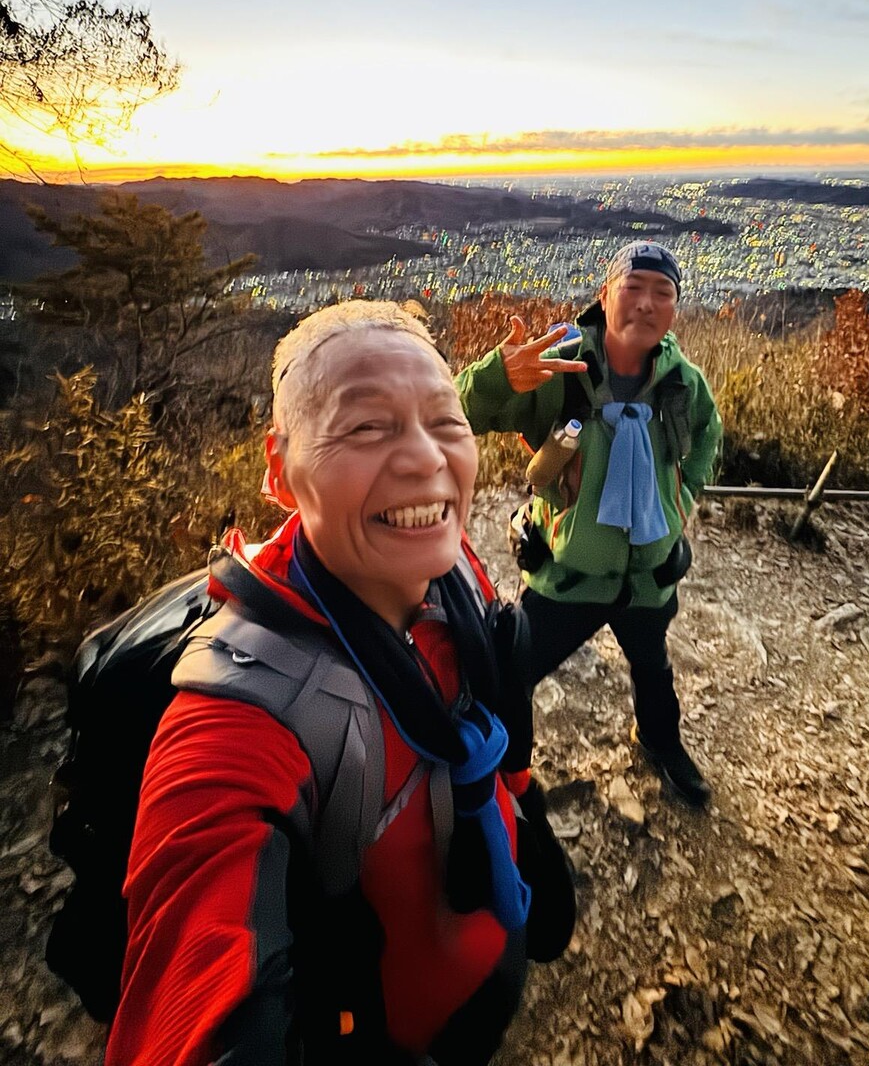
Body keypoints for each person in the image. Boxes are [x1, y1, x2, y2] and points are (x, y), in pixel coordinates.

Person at [107, 301, 546, 1066]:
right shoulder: (242, 718)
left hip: (489, 956)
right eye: (367, 427)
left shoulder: (450, 563)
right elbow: (195, 1006)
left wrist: (526, 808)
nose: (426, 459)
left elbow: (488, 714)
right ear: (279, 470)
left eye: (445, 421)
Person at [456, 242, 723, 810]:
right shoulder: (562, 368)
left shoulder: (681, 380)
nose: (647, 303)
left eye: (663, 293)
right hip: (567, 574)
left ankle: (659, 741)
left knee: (653, 666)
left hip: (648, 574)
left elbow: (708, 433)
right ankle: (509, 778)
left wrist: (684, 497)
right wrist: (498, 375)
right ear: (604, 296)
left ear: (675, 308)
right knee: (512, 673)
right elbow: (459, 412)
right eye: (633, 288)